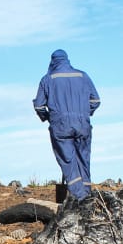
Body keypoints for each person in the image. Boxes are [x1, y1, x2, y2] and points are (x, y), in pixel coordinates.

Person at [33, 49, 100, 202]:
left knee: (68, 161)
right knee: (83, 159)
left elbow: (39, 106)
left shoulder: (47, 79)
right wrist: (83, 112)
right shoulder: (83, 76)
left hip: (60, 126)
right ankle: (87, 195)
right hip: (82, 124)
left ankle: (80, 198)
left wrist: (49, 117)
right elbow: (96, 101)